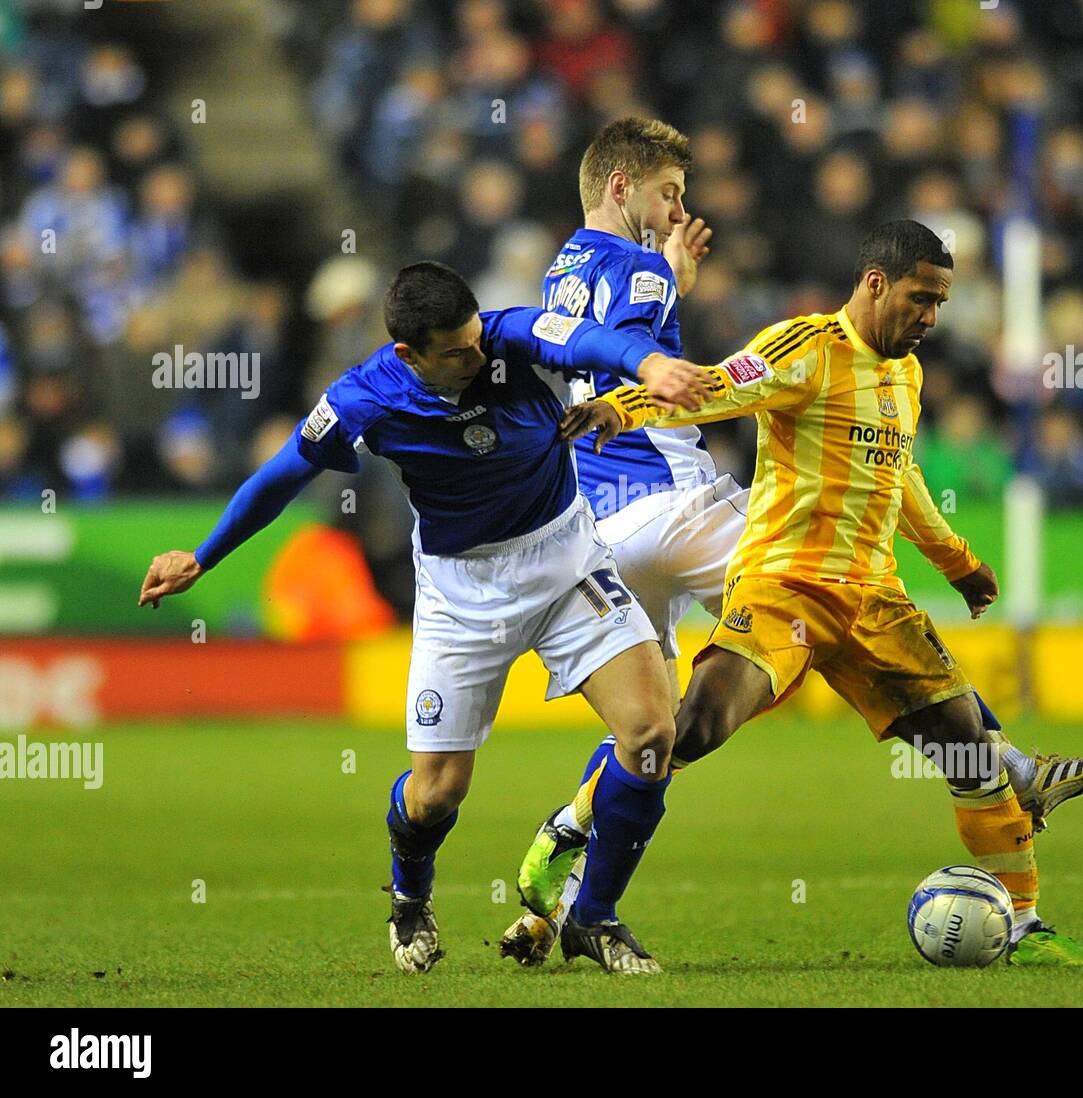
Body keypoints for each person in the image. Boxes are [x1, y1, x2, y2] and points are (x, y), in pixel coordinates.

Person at [510, 222, 1083, 968]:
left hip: (873, 600)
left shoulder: (908, 374)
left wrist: (956, 560)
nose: (931, 316)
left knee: (971, 753)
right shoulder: (804, 348)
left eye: (941, 303)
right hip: (783, 589)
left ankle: (1023, 926)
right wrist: (625, 408)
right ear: (874, 284)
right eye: (921, 298)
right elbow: (708, 388)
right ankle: (572, 823)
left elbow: (901, 477)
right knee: (695, 729)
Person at [137, 260, 714, 975]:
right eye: (458, 351)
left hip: (567, 562)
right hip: (461, 594)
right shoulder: (364, 398)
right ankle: (411, 893)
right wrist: (204, 555)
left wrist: (651, 362)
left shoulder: (506, 338)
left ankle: (592, 914)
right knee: (437, 794)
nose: (477, 357)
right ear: (409, 353)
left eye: (477, 339)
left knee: (652, 733)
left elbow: (593, 341)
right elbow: (282, 475)